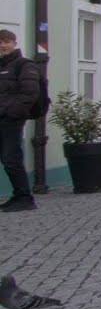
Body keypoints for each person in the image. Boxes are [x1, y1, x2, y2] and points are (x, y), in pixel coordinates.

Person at [0, 29, 39, 212]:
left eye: (6, 41)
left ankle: (25, 197)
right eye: (0, 42)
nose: (2, 45)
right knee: (8, 159)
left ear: (14, 43)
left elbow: (30, 93)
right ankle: (18, 195)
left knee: (11, 159)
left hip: (11, 121)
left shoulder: (24, 64)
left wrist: (11, 112)